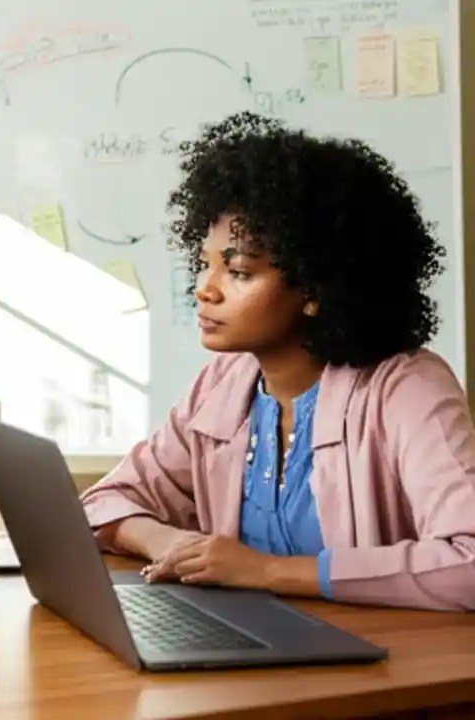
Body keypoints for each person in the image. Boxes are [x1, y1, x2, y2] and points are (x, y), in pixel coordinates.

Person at [81, 112, 475, 611]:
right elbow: (104, 502)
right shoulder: (223, 384)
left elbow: (469, 561)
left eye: (239, 272)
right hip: (255, 647)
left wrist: (265, 571)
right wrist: (173, 545)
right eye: (205, 264)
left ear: (316, 288)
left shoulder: (407, 387)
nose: (204, 289)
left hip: (379, 651)